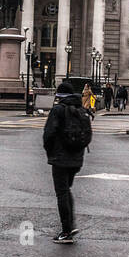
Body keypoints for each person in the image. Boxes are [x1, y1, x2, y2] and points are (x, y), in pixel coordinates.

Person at [43, 81, 92, 244]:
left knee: (62, 192)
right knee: (66, 190)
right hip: (77, 158)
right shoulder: (81, 109)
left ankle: (66, 231)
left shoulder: (58, 110)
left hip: (60, 158)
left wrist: (50, 151)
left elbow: (48, 134)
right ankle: (70, 225)